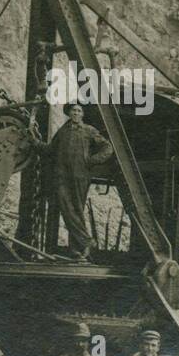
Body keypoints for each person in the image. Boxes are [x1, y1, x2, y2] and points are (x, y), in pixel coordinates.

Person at [49, 103, 113, 261]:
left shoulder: (89, 130)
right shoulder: (62, 132)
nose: (76, 113)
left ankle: (76, 251)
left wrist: (91, 160)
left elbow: (107, 147)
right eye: (73, 111)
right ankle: (86, 241)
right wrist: (34, 143)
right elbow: (50, 150)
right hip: (62, 176)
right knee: (66, 208)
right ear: (69, 113)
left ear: (82, 114)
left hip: (80, 176)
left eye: (79, 111)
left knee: (76, 210)